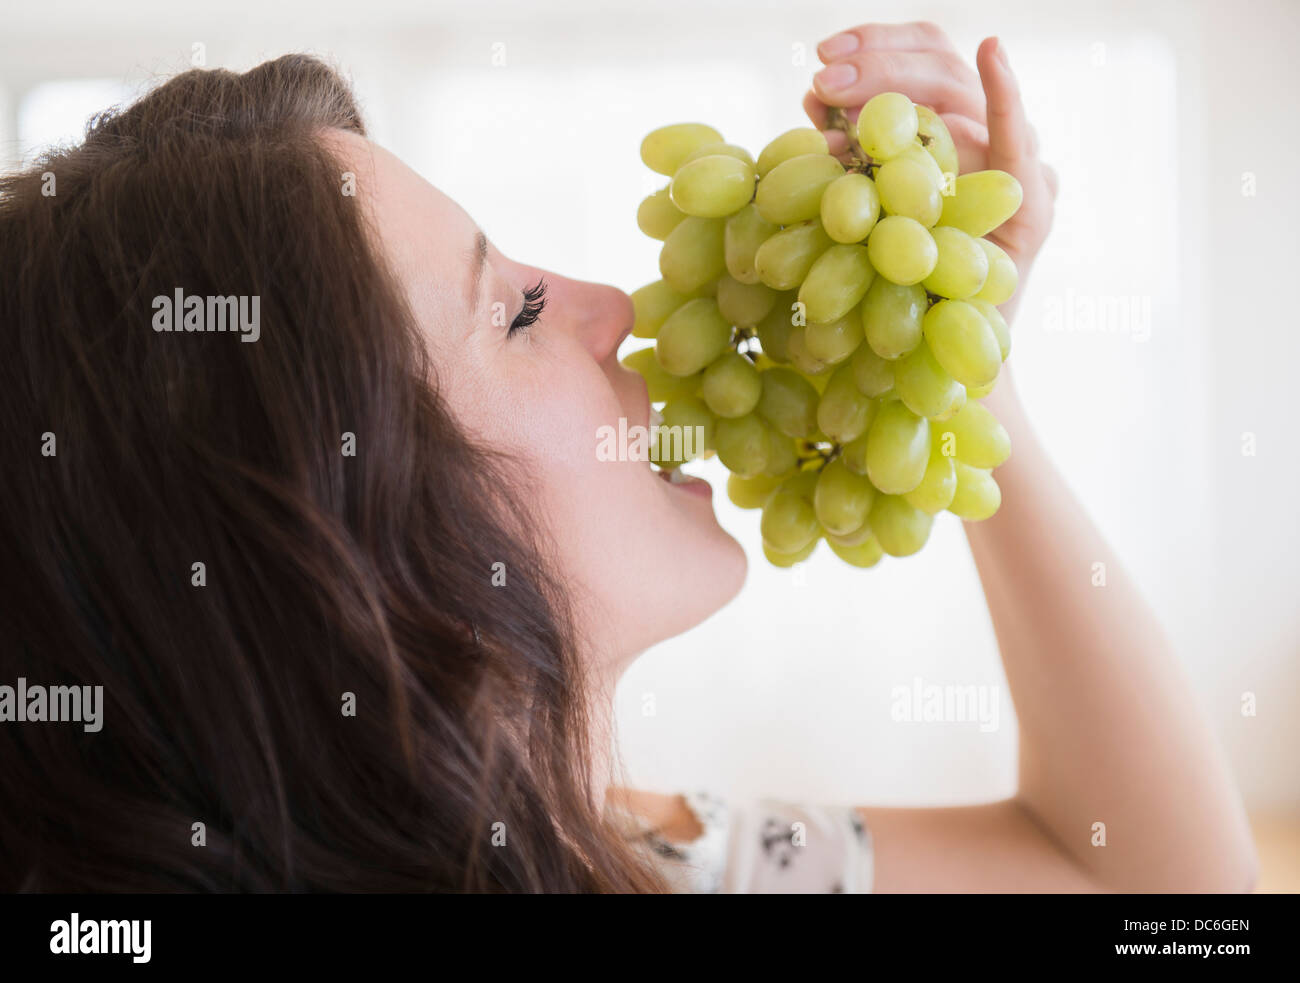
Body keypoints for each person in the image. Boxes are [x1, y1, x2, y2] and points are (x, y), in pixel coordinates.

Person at [0, 21, 1255, 893]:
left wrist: (965, 362)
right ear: (331, 531)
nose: (619, 302)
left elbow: (1154, 883)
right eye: (520, 311)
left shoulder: (650, 853)